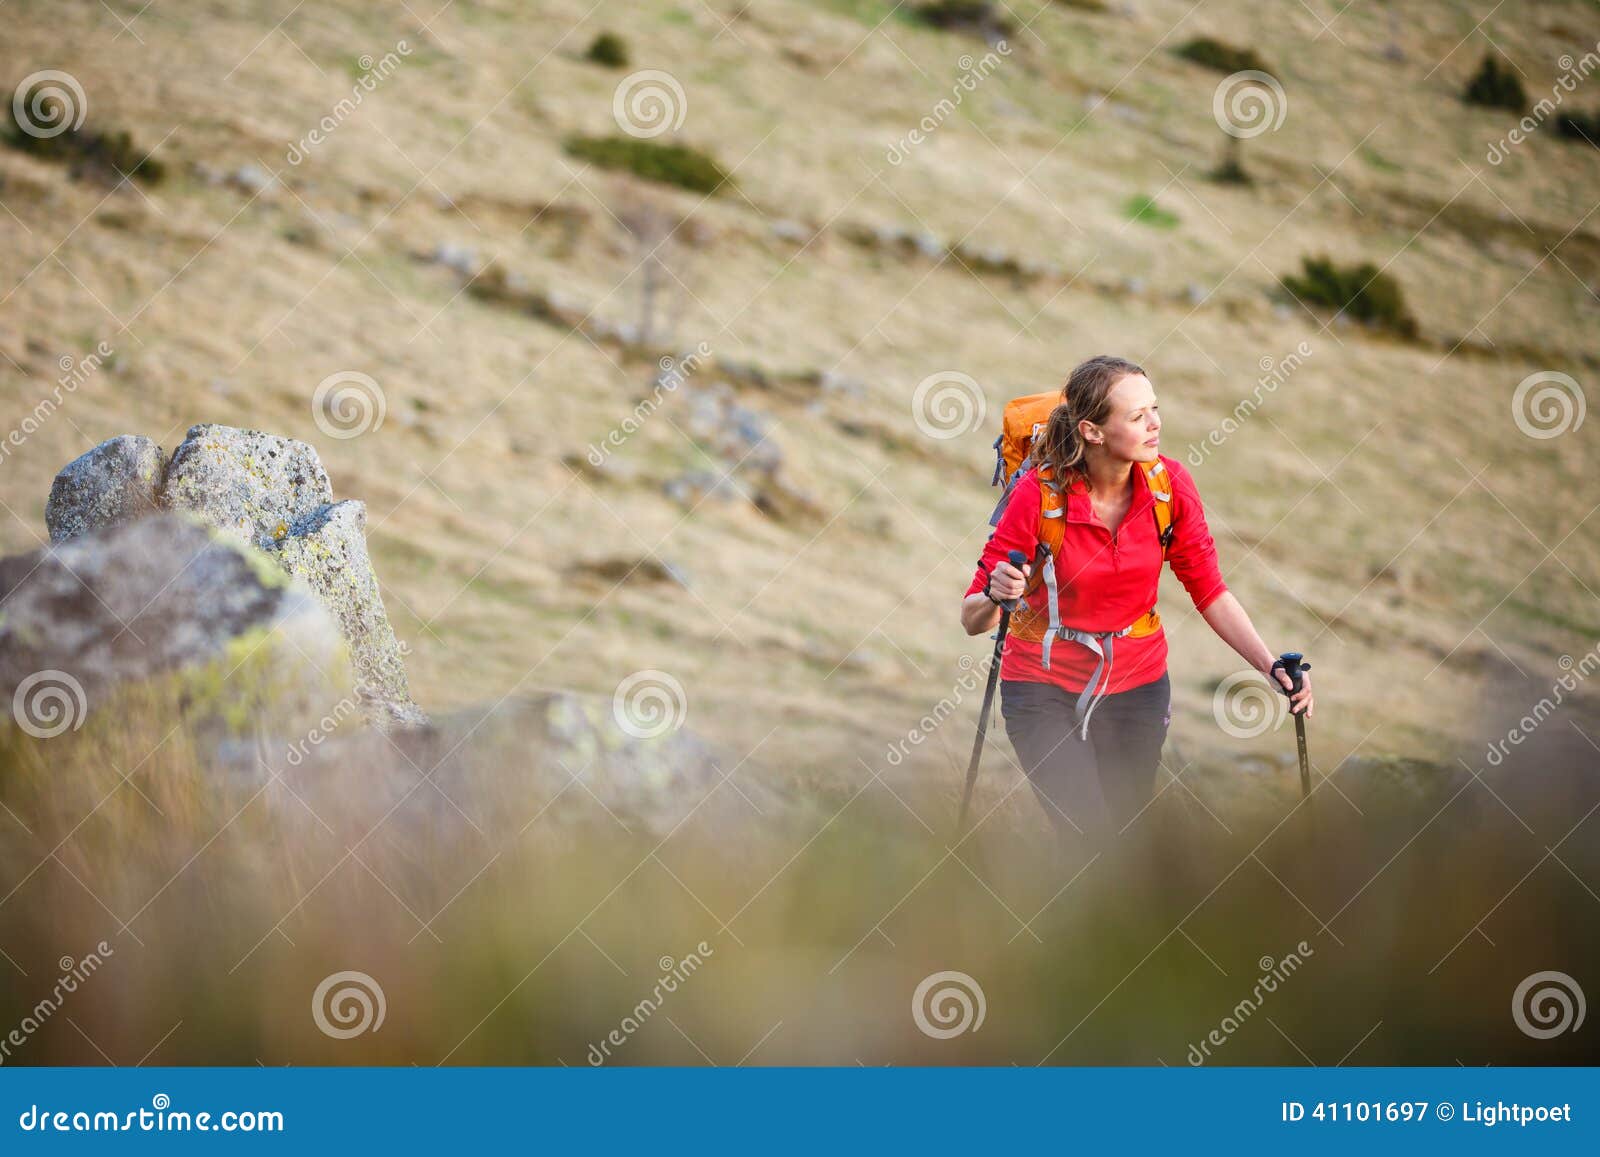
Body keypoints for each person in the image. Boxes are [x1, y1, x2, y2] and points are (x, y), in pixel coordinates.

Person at [960, 355, 1313, 851]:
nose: (1156, 423)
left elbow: (1210, 591)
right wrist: (998, 594)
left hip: (1137, 688)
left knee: (1127, 845)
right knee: (1088, 840)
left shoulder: (1169, 488)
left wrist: (1269, 664)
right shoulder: (1038, 497)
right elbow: (974, 617)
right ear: (1093, 431)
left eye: (1155, 409)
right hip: (1042, 690)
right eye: (1137, 416)